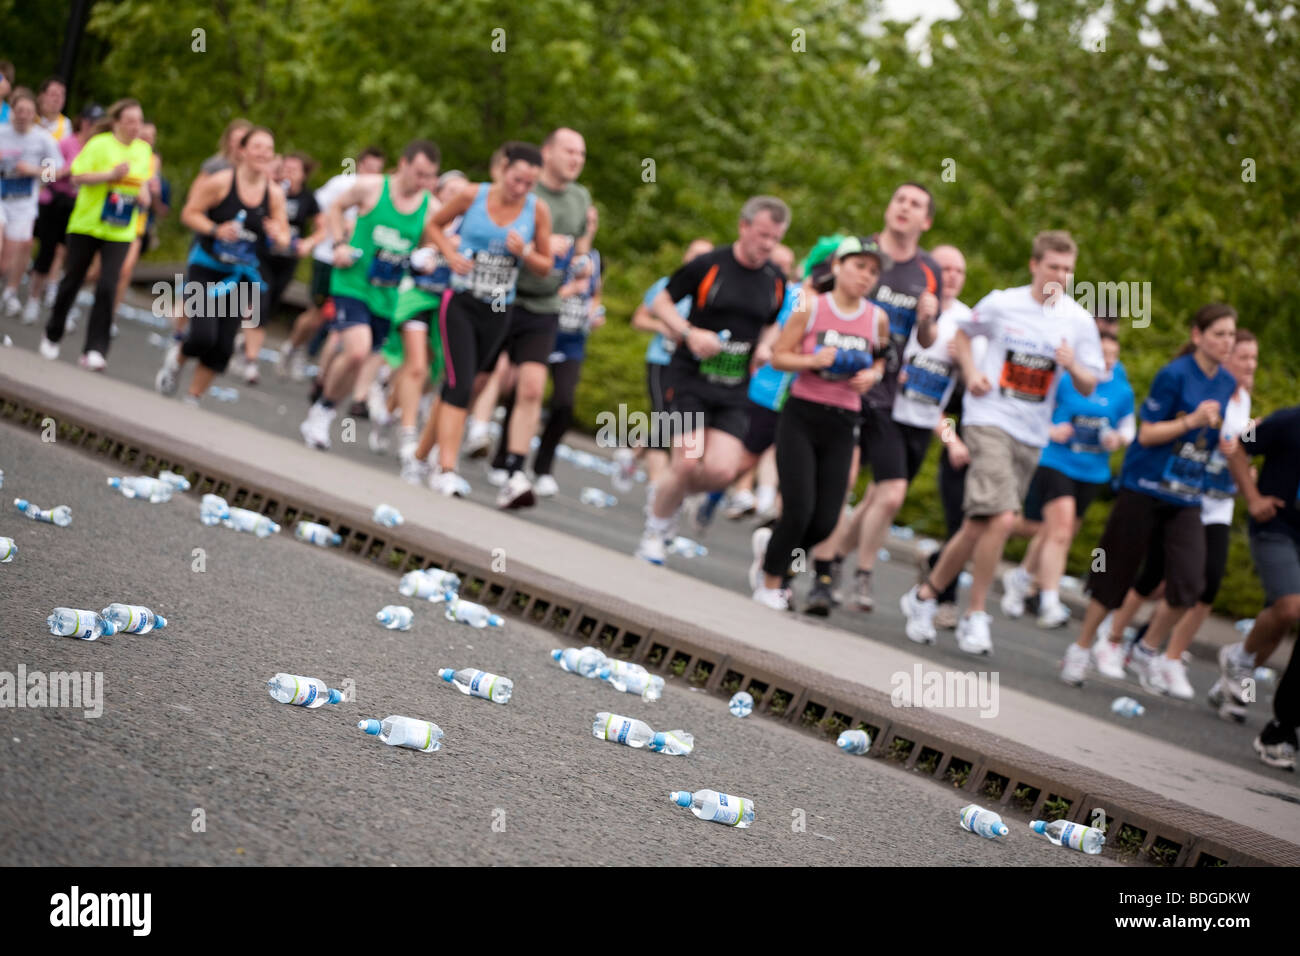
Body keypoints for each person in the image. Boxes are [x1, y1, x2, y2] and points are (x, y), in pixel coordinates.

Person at [900, 230, 1103, 655]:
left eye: (1068, 269)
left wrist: (1072, 366)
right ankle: (976, 615)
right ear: (1034, 265)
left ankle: (924, 597)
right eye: (1053, 267)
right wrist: (972, 373)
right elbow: (960, 336)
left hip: (1031, 432)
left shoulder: (1077, 320)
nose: (1060, 276)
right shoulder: (1002, 302)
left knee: (979, 524)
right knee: (1003, 520)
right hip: (988, 419)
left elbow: (1089, 384)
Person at [1061, 304, 1239, 687]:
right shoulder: (1174, 375)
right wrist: (1190, 421)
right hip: (1144, 484)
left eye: (1231, 334)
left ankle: (1144, 650)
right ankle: (1081, 647)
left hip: (1187, 493)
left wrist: (1221, 443)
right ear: (1197, 335)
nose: (1228, 342)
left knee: (1192, 580)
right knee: (1113, 570)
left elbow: (1207, 433)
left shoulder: (1226, 383)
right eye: (1220, 333)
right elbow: (1146, 435)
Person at [1089, 329, 1257, 699]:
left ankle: (1160, 653)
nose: (1249, 364)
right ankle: (1112, 637)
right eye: (1242, 356)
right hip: (1170, 490)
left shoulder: (1240, 398)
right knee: (1150, 575)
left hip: (1211, 502)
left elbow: (1231, 447)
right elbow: (1162, 435)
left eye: (1253, 358)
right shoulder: (1190, 382)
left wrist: (1244, 464)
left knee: (1203, 582)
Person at [633, 195, 790, 565]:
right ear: (744, 226)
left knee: (721, 471)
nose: (767, 245)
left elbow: (771, 324)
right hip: (688, 377)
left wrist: (766, 347)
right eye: (762, 235)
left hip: (734, 387)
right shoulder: (709, 265)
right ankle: (655, 529)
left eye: (775, 238)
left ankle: (667, 494)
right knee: (687, 460)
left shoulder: (775, 279)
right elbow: (661, 303)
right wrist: (689, 333)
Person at [752, 237, 890, 611]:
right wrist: (813, 361)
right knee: (798, 509)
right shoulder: (811, 308)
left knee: (826, 520)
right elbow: (779, 357)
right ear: (839, 266)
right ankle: (770, 582)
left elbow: (881, 359)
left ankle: (775, 552)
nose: (866, 276)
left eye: (873, 271)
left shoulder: (876, 317)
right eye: (859, 266)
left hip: (843, 421)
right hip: (802, 413)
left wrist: (872, 377)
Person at [821, 184, 942, 610]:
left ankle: (857, 571)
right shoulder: (859, 249)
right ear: (889, 208)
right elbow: (813, 291)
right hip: (839, 385)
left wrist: (928, 320)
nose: (905, 208)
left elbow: (925, 342)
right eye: (900, 200)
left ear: (926, 221)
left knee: (891, 492)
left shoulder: (929, 272)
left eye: (916, 205)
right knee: (844, 482)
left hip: (886, 393)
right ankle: (819, 566)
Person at [421, 142, 553, 495]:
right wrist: (450, 253)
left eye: (529, 183)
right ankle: (445, 468)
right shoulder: (471, 195)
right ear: (502, 169)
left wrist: (524, 252)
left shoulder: (536, 211)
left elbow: (547, 266)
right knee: (460, 382)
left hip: (498, 307)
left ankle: (421, 454)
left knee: (472, 386)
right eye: (517, 179)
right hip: (461, 300)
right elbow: (433, 225)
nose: (521, 189)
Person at [298, 139, 441, 448]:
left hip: (387, 294)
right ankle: (323, 411)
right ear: (403, 164)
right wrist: (338, 243)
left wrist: (426, 258)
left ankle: (324, 406)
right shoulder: (372, 188)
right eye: (419, 174)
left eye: (430, 177)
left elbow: (432, 246)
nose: (423, 182)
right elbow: (336, 208)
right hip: (352, 281)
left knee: (358, 361)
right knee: (358, 350)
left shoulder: (431, 208)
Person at [1000, 327, 1136, 629]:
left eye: (1114, 357)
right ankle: (1049, 600)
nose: (1108, 362)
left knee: (1055, 532)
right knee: (1058, 531)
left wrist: (1118, 439)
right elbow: (1030, 405)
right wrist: (1051, 430)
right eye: (1103, 356)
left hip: (1092, 470)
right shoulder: (1065, 376)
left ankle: (1020, 576)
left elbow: (1129, 425)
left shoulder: (1121, 387)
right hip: (1055, 461)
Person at [486, 128, 592, 509]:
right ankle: (445, 445)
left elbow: (580, 247)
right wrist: (536, 247)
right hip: (503, 294)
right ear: (547, 153)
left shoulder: (581, 198)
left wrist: (580, 263)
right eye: (569, 151)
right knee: (484, 379)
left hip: (546, 303)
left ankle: (515, 470)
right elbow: (493, 231)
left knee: (532, 387)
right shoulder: (525, 190)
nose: (576, 159)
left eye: (581, 153)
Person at [154, 125, 289, 401]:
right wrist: (216, 230)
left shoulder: (273, 194)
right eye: (258, 147)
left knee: (223, 346)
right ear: (242, 151)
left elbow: (285, 237)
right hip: (206, 268)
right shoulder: (222, 182)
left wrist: (278, 235)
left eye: (269, 149)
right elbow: (189, 213)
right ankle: (177, 361)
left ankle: (192, 398)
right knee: (203, 335)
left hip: (241, 275)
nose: (264, 154)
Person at [494, 208, 603, 497]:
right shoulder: (555, 246)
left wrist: (594, 311)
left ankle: (542, 468)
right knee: (525, 391)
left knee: (564, 402)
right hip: (546, 328)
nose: (588, 227)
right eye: (586, 222)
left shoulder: (594, 259)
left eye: (593, 223)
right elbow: (546, 286)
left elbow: (594, 293)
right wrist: (569, 290)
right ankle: (505, 458)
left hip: (572, 340)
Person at [40, 99, 152, 369]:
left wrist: (145, 195)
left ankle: (95, 349)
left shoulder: (143, 150)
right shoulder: (100, 144)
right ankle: (53, 333)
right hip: (87, 223)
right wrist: (109, 175)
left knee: (108, 285)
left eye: (139, 121)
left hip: (120, 229)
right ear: (117, 122)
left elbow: (141, 182)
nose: (135, 126)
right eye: (130, 121)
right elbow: (77, 177)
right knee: (73, 279)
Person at [1225, 403, 1300, 770]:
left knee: (1281, 614)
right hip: (1276, 528)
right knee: (1290, 607)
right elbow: (1238, 445)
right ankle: (1241, 662)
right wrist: (1253, 497)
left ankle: (1239, 659)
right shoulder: (1289, 420)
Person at [278, 146, 386, 383]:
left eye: (377, 169)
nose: (372, 173)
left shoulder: (380, 192)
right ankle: (293, 348)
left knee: (340, 320)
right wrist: (338, 231)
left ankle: (325, 372)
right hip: (329, 256)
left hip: (356, 266)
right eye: (369, 167)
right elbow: (319, 210)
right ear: (359, 164)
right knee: (317, 313)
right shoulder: (341, 184)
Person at [630, 238, 715, 499]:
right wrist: (665, 327)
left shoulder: (712, 294)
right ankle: (656, 483)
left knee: (674, 421)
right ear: (686, 256)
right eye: (695, 254)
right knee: (665, 416)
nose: (697, 260)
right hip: (662, 360)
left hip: (692, 369)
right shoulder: (666, 286)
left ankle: (632, 454)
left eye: (704, 257)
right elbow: (639, 319)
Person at [230, 150, 321, 385]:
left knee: (268, 307)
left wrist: (308, 243)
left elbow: (323, 226)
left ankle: (244, 344)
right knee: (259, 301)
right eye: (285, 168)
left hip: (287, 260)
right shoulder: (269, 191)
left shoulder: (308, 199)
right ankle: (251, 362)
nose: (288, 173)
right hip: (262, 255)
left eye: (294, 170)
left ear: (303, 175)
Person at [25, 104, 100, 323]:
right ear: (84, 122)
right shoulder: (65, 142)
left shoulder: (98, 147)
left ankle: (57, 298)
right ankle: (33, 298)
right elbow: (46, 175)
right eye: (91, 122)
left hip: (79, 205)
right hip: (55, 201)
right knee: (46, 251)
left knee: (69, 255)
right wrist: (69, 169)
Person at [0, 88, 62, 316]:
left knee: (6, 262)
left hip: (24, 203)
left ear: (34, 113)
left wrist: (33, 170)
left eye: (28, 111)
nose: (23, 114)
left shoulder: (42, 139)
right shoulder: (2, 132)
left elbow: (54, 174)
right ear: (13, 112)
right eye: (19, 110)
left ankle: (10, 290)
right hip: (1, 197)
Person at [110, 120, 165, 322]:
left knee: (125, 270)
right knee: (99, 271)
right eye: (145, 136)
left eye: (152, 138)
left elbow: (155, 198)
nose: (148, 141)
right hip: (108, 216)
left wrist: (154, 193)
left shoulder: (153, 160)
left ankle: (110, 316)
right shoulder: (119, 149)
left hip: (135, 222)